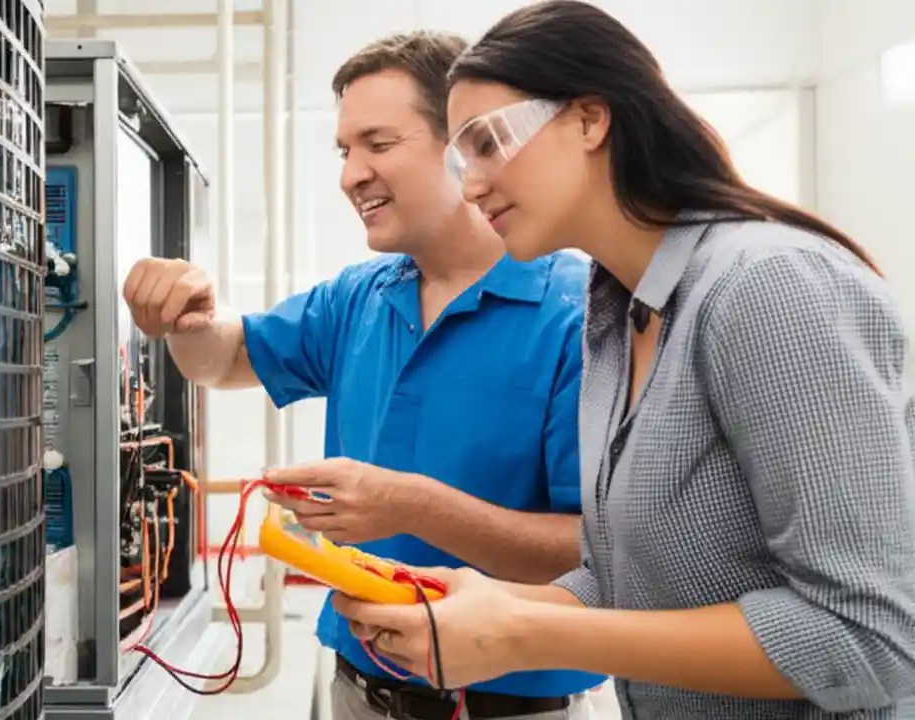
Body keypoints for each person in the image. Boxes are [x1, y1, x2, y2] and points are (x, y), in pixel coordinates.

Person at [333, 3, 915, 719]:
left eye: (490, 142)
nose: (473, 183)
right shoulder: (614, 314)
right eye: (461, 159)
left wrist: (528, 632)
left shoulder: (767, 285)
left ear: (589, 118)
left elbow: (873, 635)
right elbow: (626, 582)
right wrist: (481, 603)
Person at [123, 30, 605, 720]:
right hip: (357, 685)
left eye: (378, 145)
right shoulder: (360, 296)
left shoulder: (575, 313)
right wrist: (190, 318)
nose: (351, 174)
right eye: (345, 151)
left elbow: (596, 551)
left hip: (511, 704)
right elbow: (225, 359)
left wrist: (412, 507)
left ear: (464, 143)